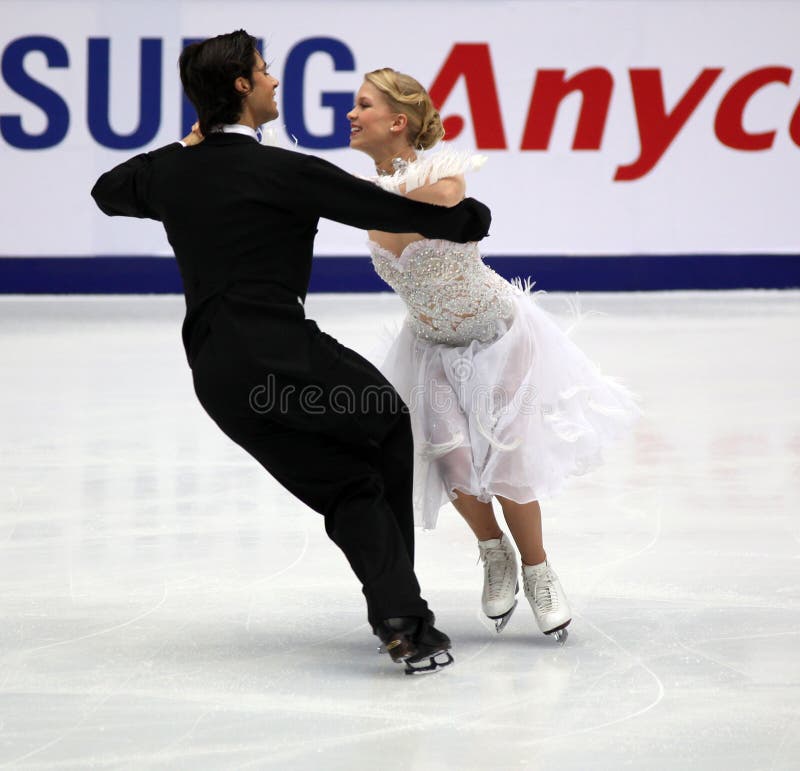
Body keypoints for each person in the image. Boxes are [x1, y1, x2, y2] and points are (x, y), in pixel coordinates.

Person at [90, 31, 494, 675]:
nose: (274, 80)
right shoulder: (285, 172)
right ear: (242, 86)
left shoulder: (168, 173)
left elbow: (107, 189)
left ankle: (402, 619)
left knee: (349, 484)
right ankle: (401, 611)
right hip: (285, 362)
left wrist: (189, 143)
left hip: (220, 382)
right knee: (387, 420)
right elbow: (382, 207)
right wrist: (473, 219)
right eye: (264, 70)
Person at [347, 68, 640, 642]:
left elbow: (449, 197)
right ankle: (494, 552)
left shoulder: (440, 170)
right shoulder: (366, 190)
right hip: (430, 345)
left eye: (363, 105)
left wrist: (373, 196)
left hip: (499, 337)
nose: (352, 115)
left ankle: (539, 570)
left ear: (398, 121)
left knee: (506, 461)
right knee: (451, 461)